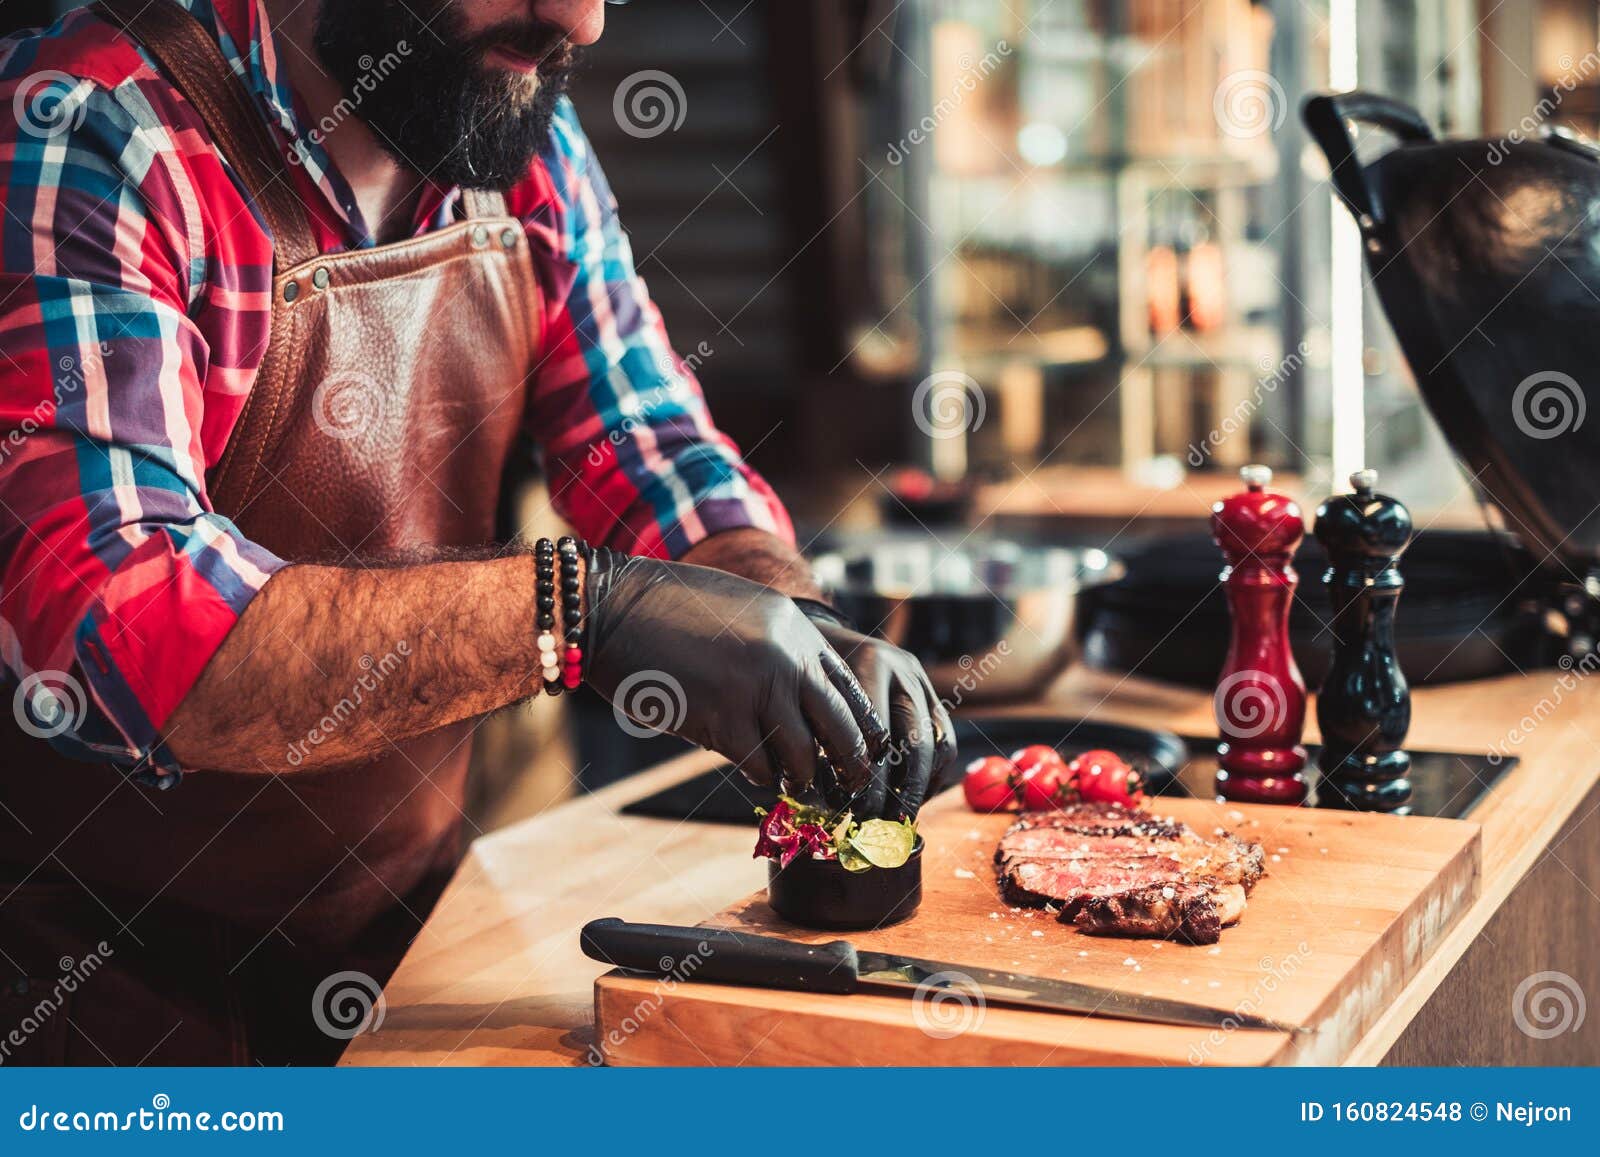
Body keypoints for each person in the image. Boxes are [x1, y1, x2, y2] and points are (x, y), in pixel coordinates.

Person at [0, 0, 954, 1064]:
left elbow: (648, 447)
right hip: (97, 996)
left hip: (410, 942)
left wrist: (790, 620)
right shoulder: (88, 127)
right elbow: (116, 619)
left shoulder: (496, 109)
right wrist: (577, 610)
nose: (581, 25)